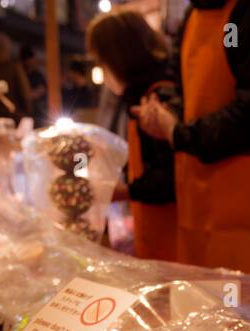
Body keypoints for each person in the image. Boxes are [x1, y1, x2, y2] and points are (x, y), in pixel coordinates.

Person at [134, 0, 250, 285]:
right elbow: (183, 90)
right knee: (203, 310)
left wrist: (179, 133)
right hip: (200, 198)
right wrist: (163, 113)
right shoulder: (194, 15)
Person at [86, 10, 179, 261]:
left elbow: (168, 182)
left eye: (101, 60)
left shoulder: (155, 99)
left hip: (172, 236)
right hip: (152, 230)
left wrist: (120, 192)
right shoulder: (138, 94)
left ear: (116, 57)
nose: (102, 69)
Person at [19, 44, 48, 125]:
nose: (31, 62)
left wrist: (30, 95)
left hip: (40, 114)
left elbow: (43, 90)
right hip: (24, 114)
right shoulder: (20, 75)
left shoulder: (38, 75)